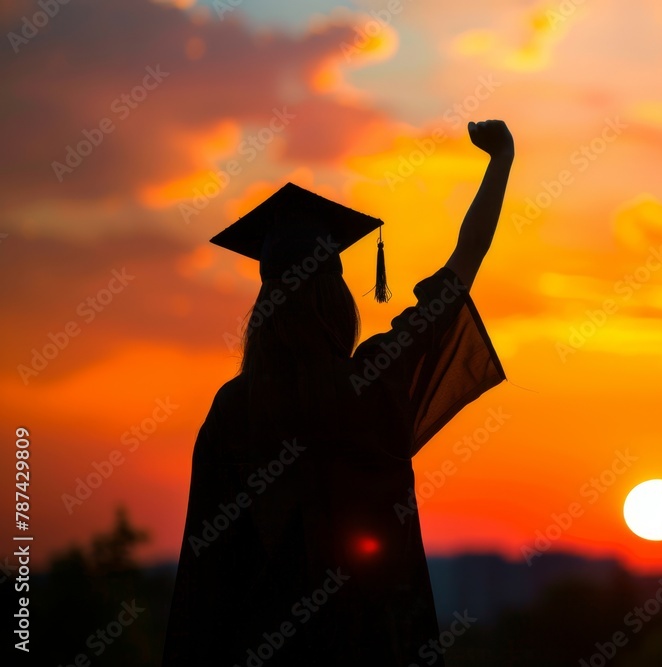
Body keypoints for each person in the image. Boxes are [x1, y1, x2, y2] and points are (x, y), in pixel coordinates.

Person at [162, 120, 514, 666]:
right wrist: (500, 161)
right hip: (374, 648)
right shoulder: (373, 384)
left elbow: (202, 576)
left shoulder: (234, 411)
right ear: (336, 300)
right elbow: (460, 271)